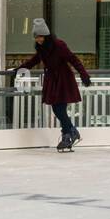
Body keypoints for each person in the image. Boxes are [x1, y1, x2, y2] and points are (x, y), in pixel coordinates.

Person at [9, 17, 91, 151]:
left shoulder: (59, 45)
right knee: (57, 109)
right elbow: (34, 60)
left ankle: (69, 133)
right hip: (52, 80)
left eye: (40, 37)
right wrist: (19, 69)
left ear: (46, 35)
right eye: (36, 37)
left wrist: (84, 75)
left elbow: (73, 59)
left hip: (63, 79)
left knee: (59, 109)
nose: (38, 40)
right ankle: (70, 133)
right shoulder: (41, 49)